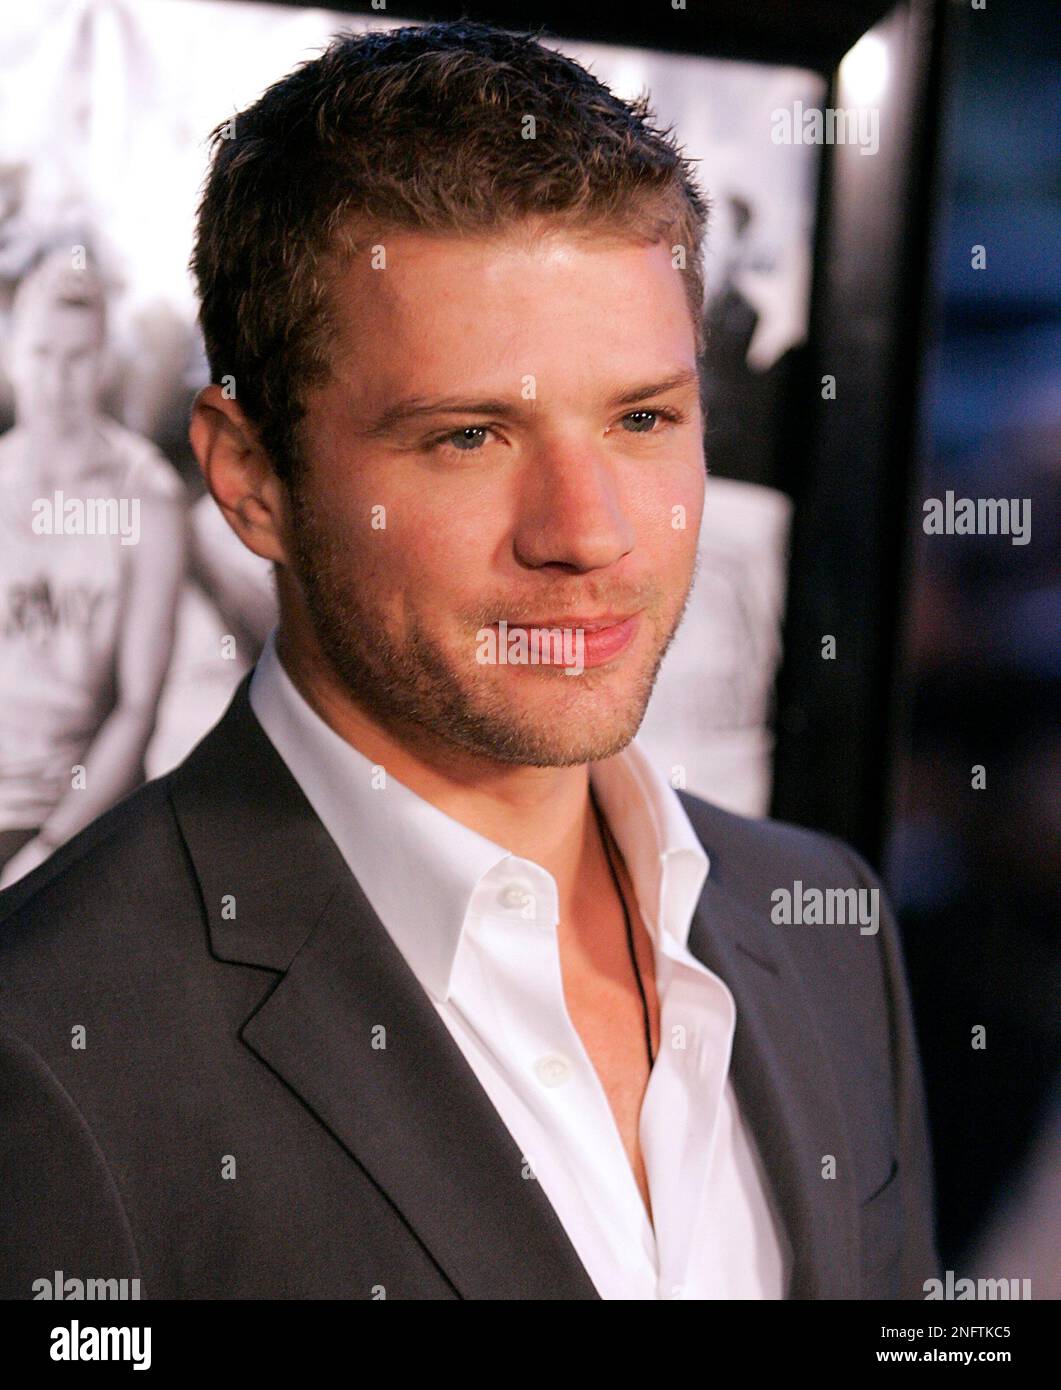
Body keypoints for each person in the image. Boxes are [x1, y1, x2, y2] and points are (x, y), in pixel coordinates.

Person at [0, 21, 938, 1299]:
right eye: (467, 437)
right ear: (251, 477)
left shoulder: (822, 927)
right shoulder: (49, 1048)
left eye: (643, 418)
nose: (587, 532)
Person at [0, 249, 186, 885]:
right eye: (42, 354)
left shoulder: (146, 498)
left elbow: (138, 710)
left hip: (73, 815)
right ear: (11, 356)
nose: (57, 380)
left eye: (78, 358)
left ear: (105, 364)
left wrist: (47, 854)